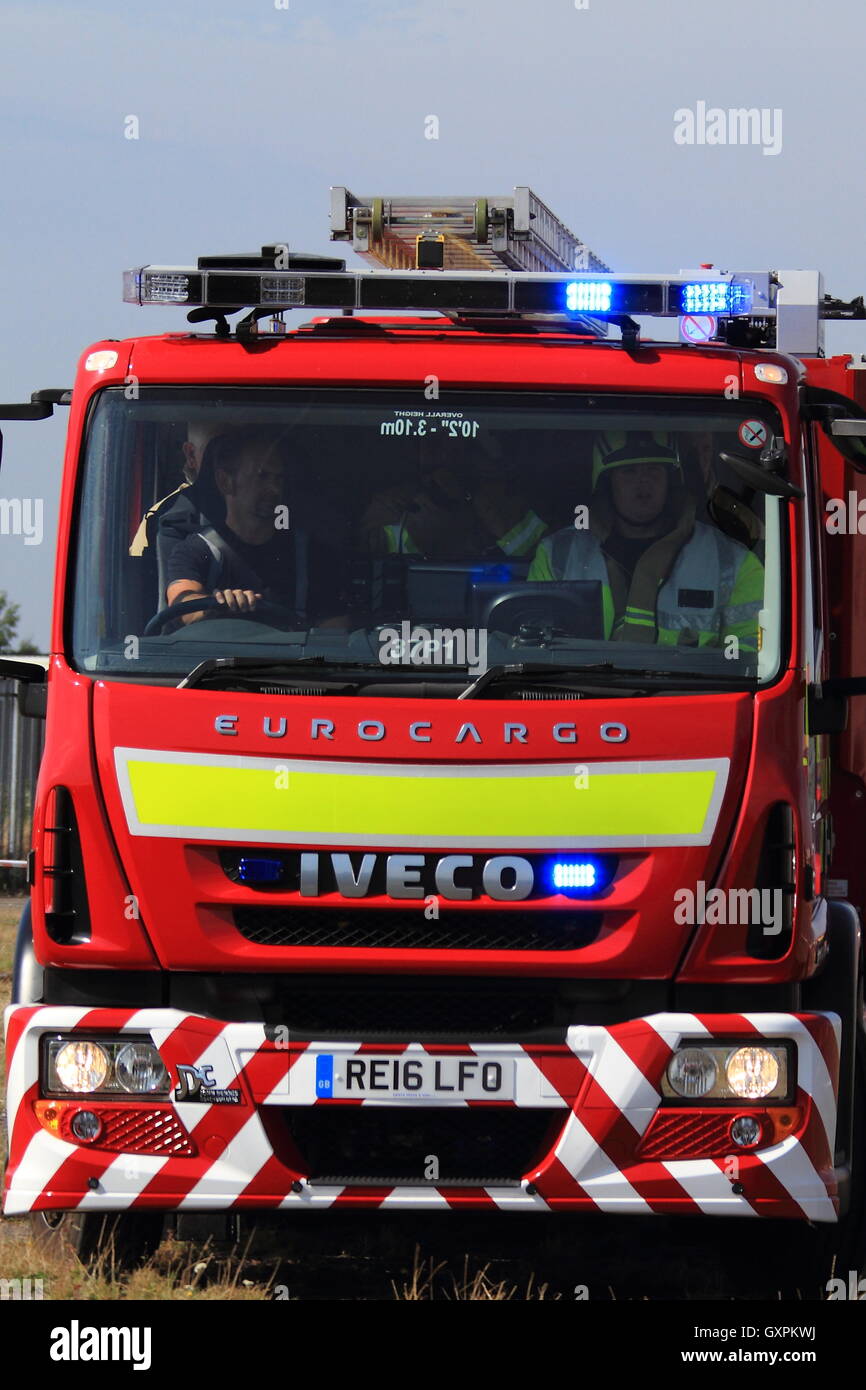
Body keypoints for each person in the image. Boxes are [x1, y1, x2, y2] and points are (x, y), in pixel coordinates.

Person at [528, 432, 764, 650]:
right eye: (628, 471)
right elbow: (534, 646)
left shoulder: (732, 561)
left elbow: (752, 656)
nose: (643, 482)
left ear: (671, 481)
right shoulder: (557, 554)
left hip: (691, 696)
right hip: (584, 694)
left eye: (654, 470)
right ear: (607, 482)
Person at [165, 428, 345, 626]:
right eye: (262, 476)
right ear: (225, 481)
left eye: (279, 479)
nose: (275, 489)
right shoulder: (194, 551)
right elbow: (181, 604)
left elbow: (336, 631)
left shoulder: (311, 555)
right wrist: (215, 605)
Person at [360, 457, 548, 560]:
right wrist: (419, 526)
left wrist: (489, 512)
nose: (433, 449)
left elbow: (544, 563)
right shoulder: (393, 507)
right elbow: (366, 560)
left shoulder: (506, 503)